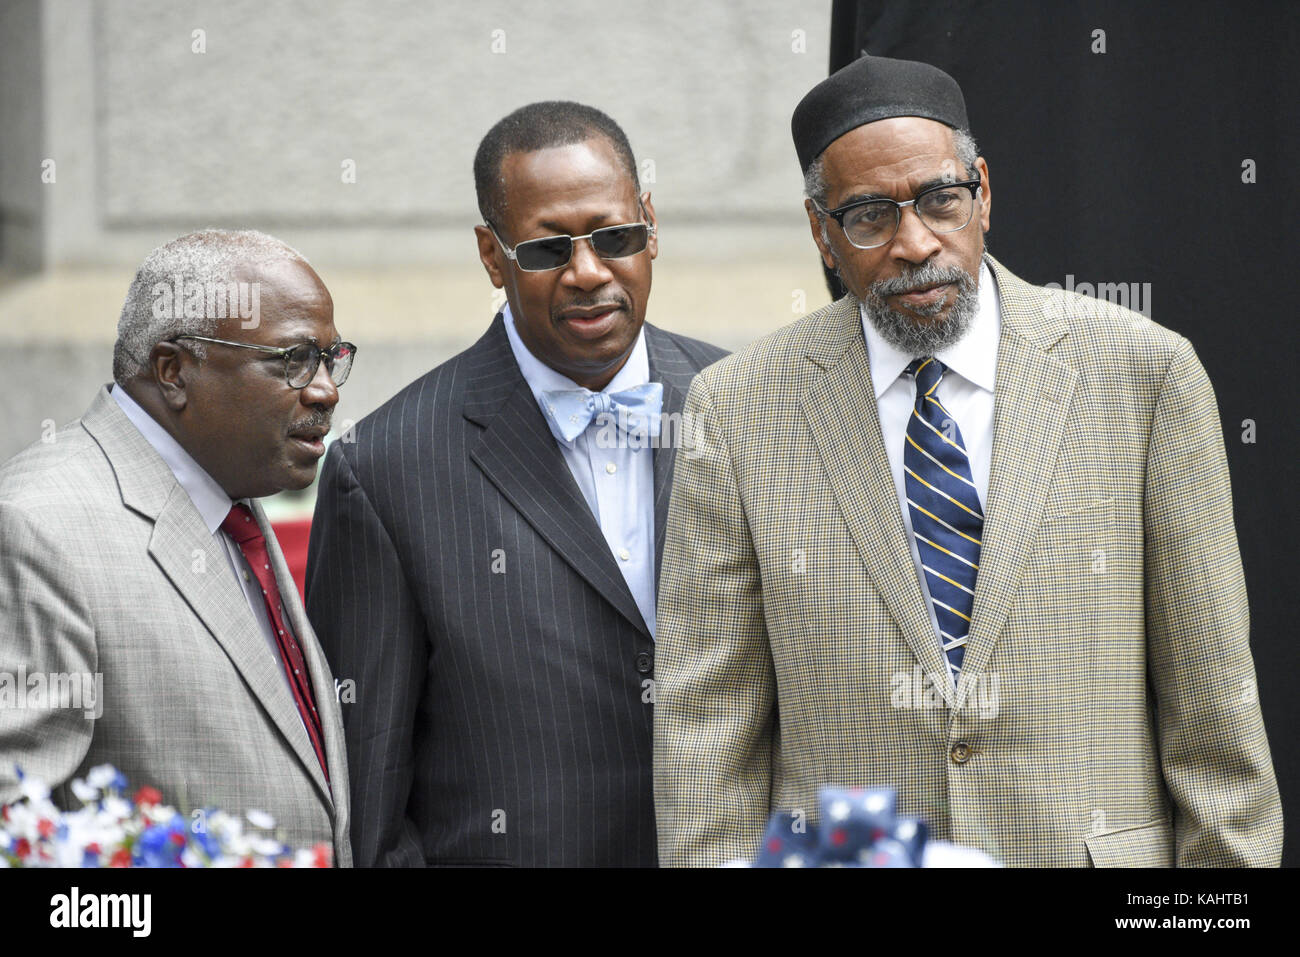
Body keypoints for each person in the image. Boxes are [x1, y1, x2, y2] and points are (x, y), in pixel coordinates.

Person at [653, 54, 1283, 867]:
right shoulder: (736, 409)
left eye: (940, 200)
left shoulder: (1143, 374)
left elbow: (1215, 722)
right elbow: (706, 731)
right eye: (871, 216)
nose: (915, 243)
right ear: (821, 232)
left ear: (982, 191)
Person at [306, 101, 726, 867]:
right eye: (546, 251)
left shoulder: (747, 405)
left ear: (651, 225)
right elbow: (369, 792)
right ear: (491, 257)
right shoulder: (384, 468)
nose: (589, 272)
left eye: (616, 237)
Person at [0, 229, 355, 865]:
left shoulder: (230, 491)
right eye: (293, 360)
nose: (326, 389)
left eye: (331, 358)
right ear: (174, 371)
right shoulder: (39, 528)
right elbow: (15, 830)